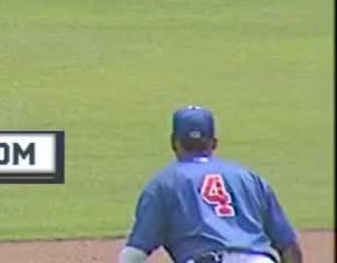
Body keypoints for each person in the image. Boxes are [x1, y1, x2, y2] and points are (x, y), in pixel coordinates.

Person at [118, 106, 304, 263]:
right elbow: (290, 248)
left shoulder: (163, 183)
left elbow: (135, 254)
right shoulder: (250, 178)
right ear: (214, 143)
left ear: (174, 142)